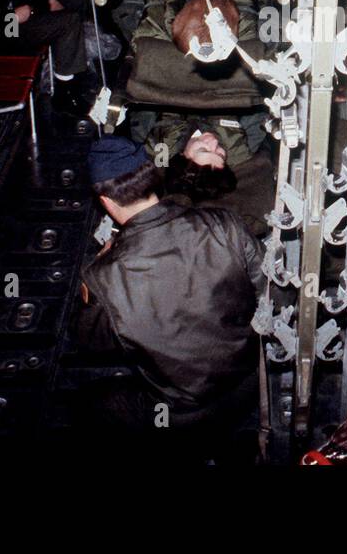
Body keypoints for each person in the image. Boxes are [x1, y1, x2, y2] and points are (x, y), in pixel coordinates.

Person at [73, 137, 265, 457]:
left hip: (183, 416)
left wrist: (98, 270)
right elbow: (271, 296)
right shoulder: (225, 223)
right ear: (153, 177)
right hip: (251, 385)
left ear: (105, 201)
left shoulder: (103, 277)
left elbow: (89, 343)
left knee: (88, 404)